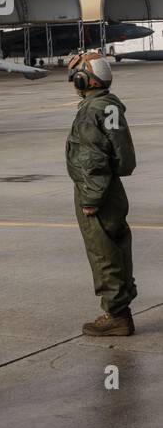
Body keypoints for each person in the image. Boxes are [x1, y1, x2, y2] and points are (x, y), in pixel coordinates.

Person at [65, 51, 136, 336]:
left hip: (96, 191)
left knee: (103, 252)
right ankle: (122, 307)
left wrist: (91, 198)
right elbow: (124, 159)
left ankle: (116, 315)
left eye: (76, 77)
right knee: (118, 246)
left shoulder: (90, 111)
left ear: (85, 80)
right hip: (114, 189)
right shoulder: (110, 106)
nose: (74, 82)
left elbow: (91, 159)